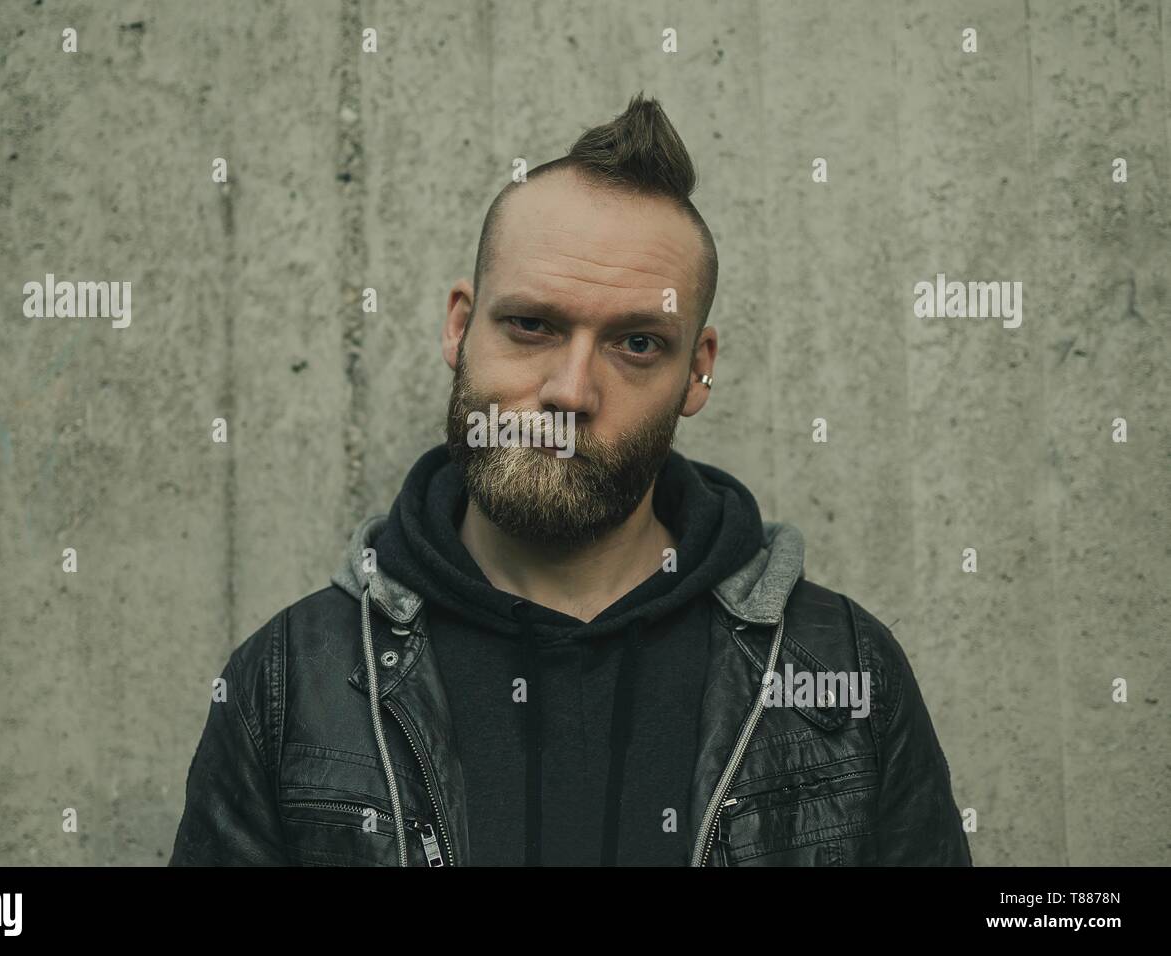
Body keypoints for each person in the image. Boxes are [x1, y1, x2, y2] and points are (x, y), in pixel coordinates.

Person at [169, 93, 972, 867]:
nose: (570, 391)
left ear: (698, 372)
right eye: (531, 325)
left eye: (637, 345)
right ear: (459, 324)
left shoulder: (840, 669)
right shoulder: (287, 685)